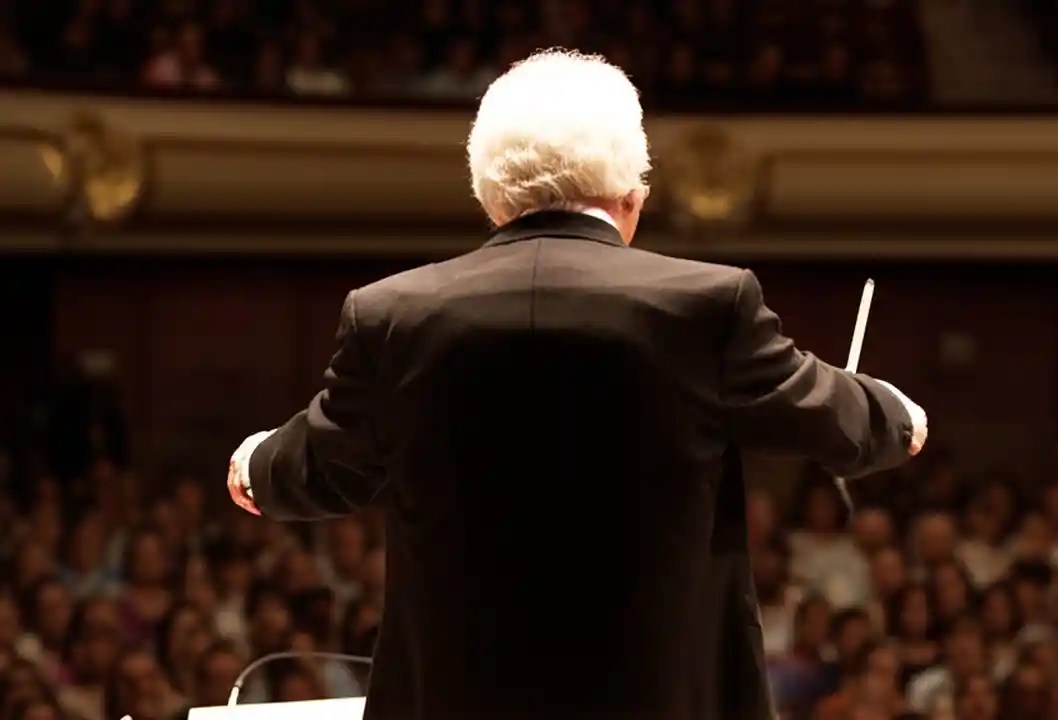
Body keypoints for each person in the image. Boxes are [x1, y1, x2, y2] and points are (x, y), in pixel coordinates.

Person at [225, 49, 927, 720]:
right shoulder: (706, 306)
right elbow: (840, 423)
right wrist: (896, 413)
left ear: (490, 194)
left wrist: (255, 464)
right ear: (632, 192)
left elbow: (322, 465)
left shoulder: (391, 315)